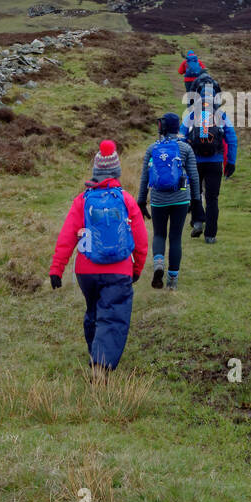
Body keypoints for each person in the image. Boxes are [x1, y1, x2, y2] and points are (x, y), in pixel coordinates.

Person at [49, 140, 149, 377]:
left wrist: (57, 269)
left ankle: (95, 352)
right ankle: (100, 365)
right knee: (113, 314)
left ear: (96, 172)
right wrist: (137, 267)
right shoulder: (125, 199)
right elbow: (141, 239)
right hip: (119, 270)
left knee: (94, 311)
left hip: (87, 271)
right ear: (116, 171)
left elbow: (66, 237)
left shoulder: (82, 200)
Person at [136, 113, 203, 290]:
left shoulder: (152, 149)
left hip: (158, 199)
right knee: (175, 237)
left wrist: (141, 201)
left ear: (162, 127)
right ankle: (172, 281)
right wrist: (196, 201)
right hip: (181, 199)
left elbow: (144, 178)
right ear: (177, 127)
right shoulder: (185, 148)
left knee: (159, 234)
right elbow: (194, 176)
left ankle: (159, 262)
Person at [180, 86, 237, 243]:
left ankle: (198, 221)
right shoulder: (221, 115)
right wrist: (230, 162)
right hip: (215, 162)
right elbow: (232, 138)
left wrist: (185, 156)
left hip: (195, 162)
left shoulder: (192, 114)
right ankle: (210, 235)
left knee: (195, 193)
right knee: (212, 199)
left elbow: (181, 136)